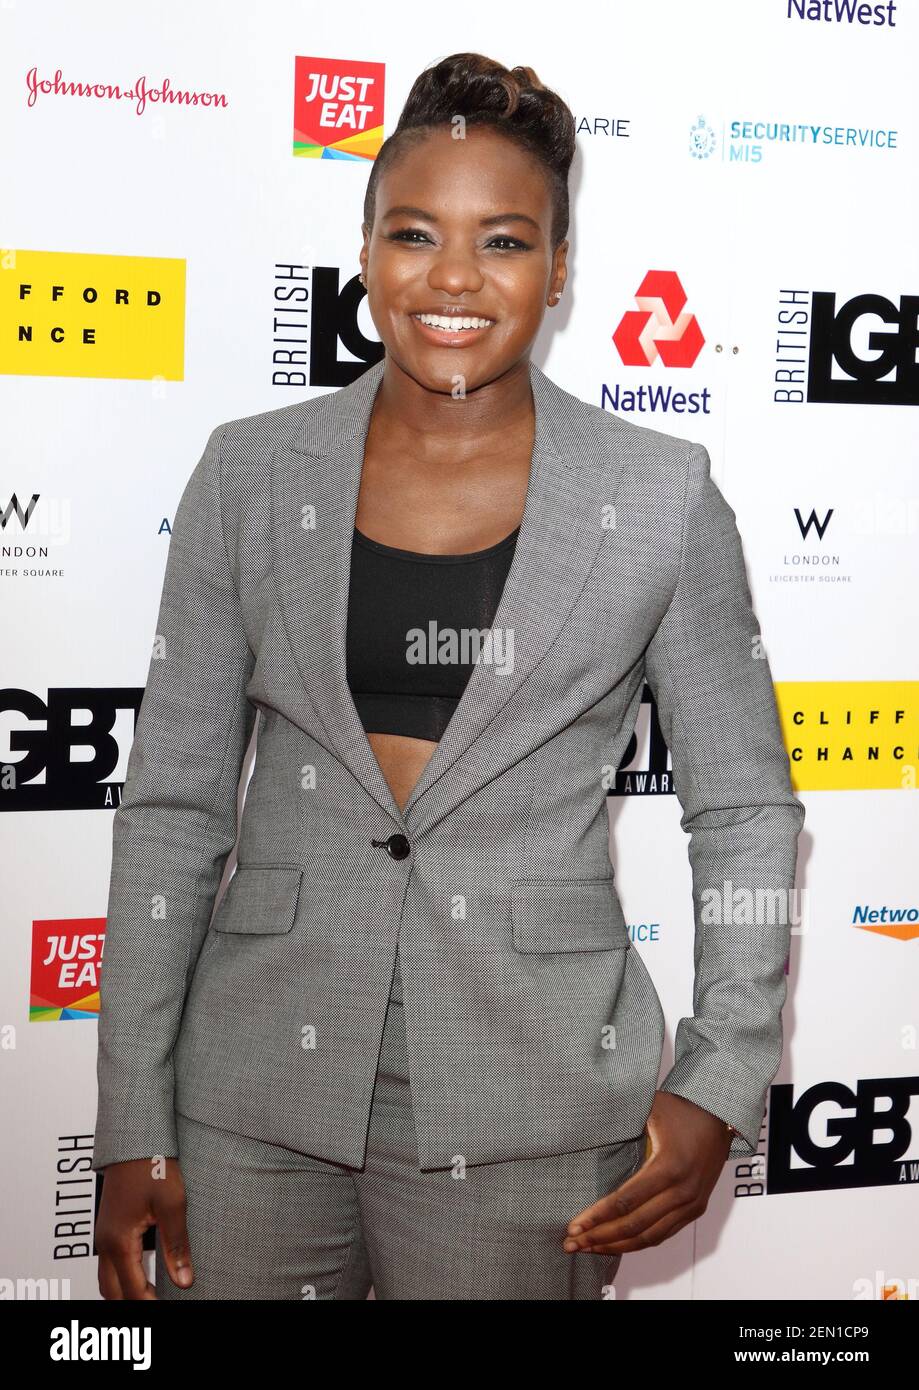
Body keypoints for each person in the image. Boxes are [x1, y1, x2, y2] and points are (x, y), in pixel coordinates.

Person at [92, 52, 805, 1300]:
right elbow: (172, 812)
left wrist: (720, 1075)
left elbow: (744, 809)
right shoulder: (249, 476)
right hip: (252, 1092)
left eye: (506, 240)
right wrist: (131, 1112)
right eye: (414, 233)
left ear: (561, 266)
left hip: (531, 1098)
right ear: (363, 249)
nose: (456, 280)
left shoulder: (657, 496)